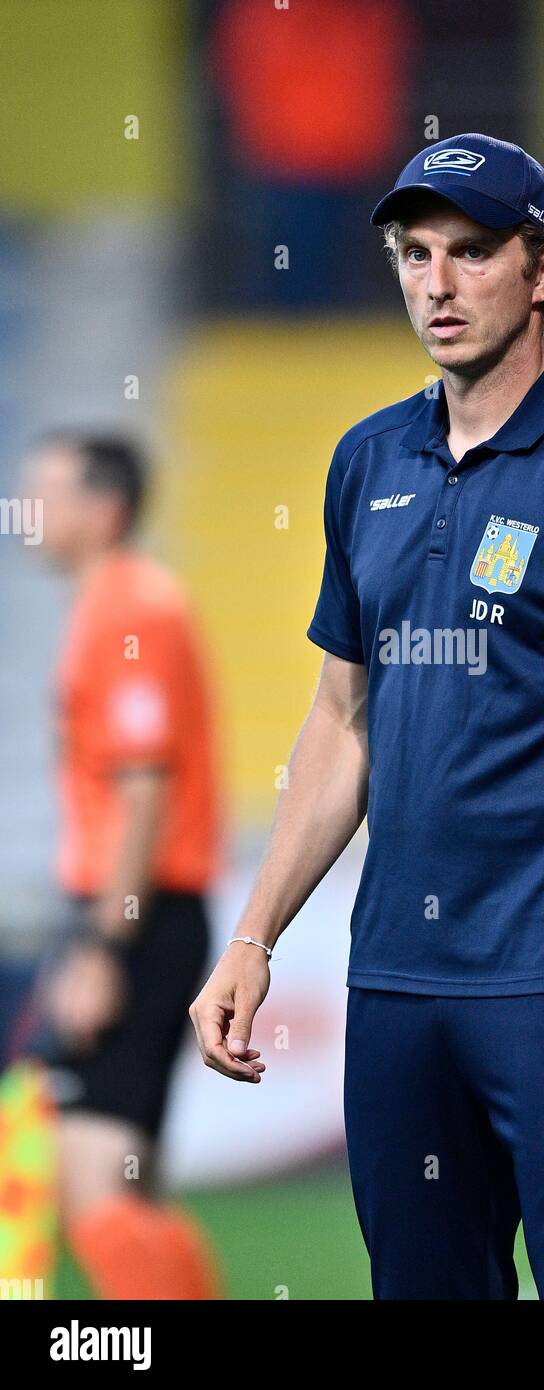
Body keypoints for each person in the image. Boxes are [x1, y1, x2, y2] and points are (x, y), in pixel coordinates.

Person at [190, 133, 544, 1300]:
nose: (434, 284)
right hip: (396, 984)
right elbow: (341, 723)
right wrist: (253, 936)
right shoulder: (366, 461)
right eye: (414, 253)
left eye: (471, 252)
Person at [19, 433, 224, 1299]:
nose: (28, 509)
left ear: (104, 509)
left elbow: (143, 793)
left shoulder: (129, 609)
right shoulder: (123, 601)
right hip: (145, 911)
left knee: (96, 1178)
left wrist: (103, 947)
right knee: (124, 1179)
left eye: (44, 491)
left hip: (136, 916)